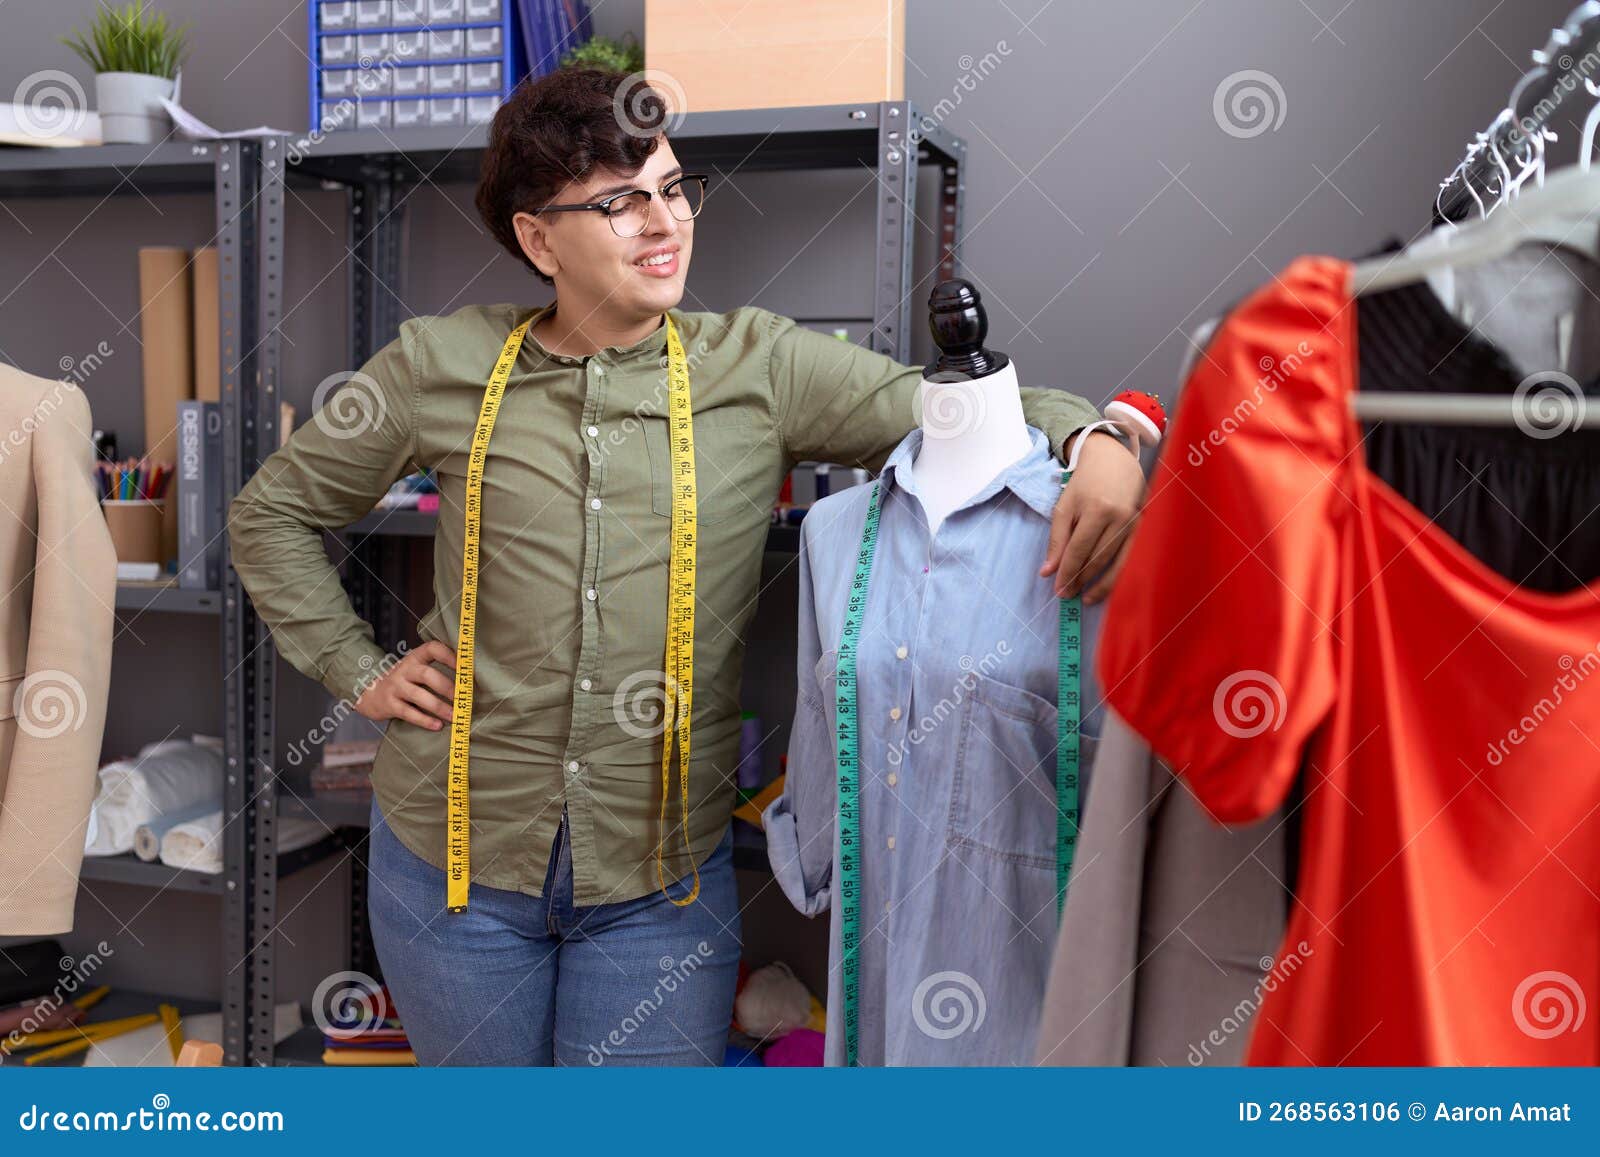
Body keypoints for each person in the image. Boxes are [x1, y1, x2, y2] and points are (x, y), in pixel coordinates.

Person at [226, 67, 1145, 1066]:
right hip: (450, 880)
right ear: (538, 239)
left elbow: (957, 406)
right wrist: (357, 669)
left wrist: (1093, 436)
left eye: (671, 188)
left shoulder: (759, 367)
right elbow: (269, 512)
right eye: (619, 202)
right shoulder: (435, 365)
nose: (661, 224)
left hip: (659, 895)